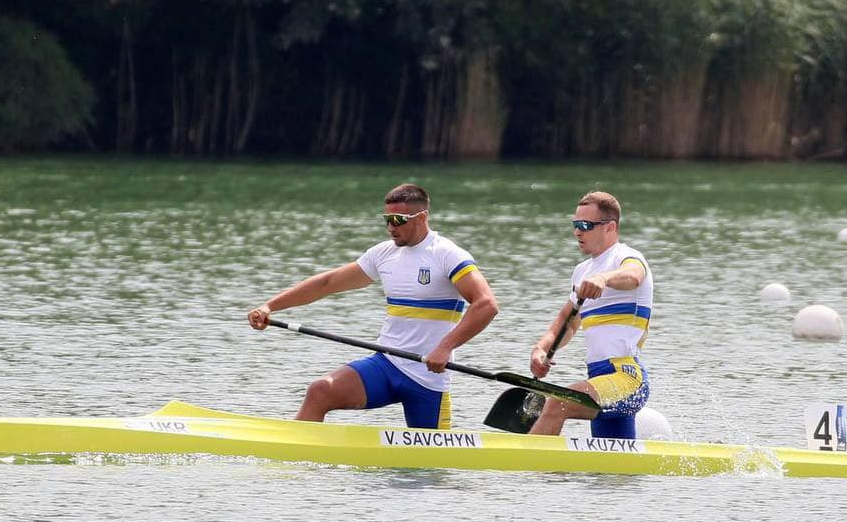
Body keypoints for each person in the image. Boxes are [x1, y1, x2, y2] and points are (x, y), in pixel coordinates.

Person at [248, 183, 498, 429]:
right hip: (387, 365)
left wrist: (444, 348)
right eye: (386, 220)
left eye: (398, 220)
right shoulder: (383, 254)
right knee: (320, 390)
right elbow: (326, 283)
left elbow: (486, 304)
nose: (391, 227)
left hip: (429, 378)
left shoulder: (447, 254)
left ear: (422, 217)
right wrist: (270, 306)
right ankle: (294, 459)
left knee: (430, 468)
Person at [527, 190, 652, 438]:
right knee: (612, 472)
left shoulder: (627, 257)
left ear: (610, 227)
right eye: (575, 225)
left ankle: (528, 475)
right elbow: (567, 323)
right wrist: (541, 350)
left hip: (626, 379)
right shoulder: (581, 271)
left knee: (557, 403)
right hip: (600, 380)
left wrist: (604, 279)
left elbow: (634, 276)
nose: (577, 232)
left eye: (585, 225)